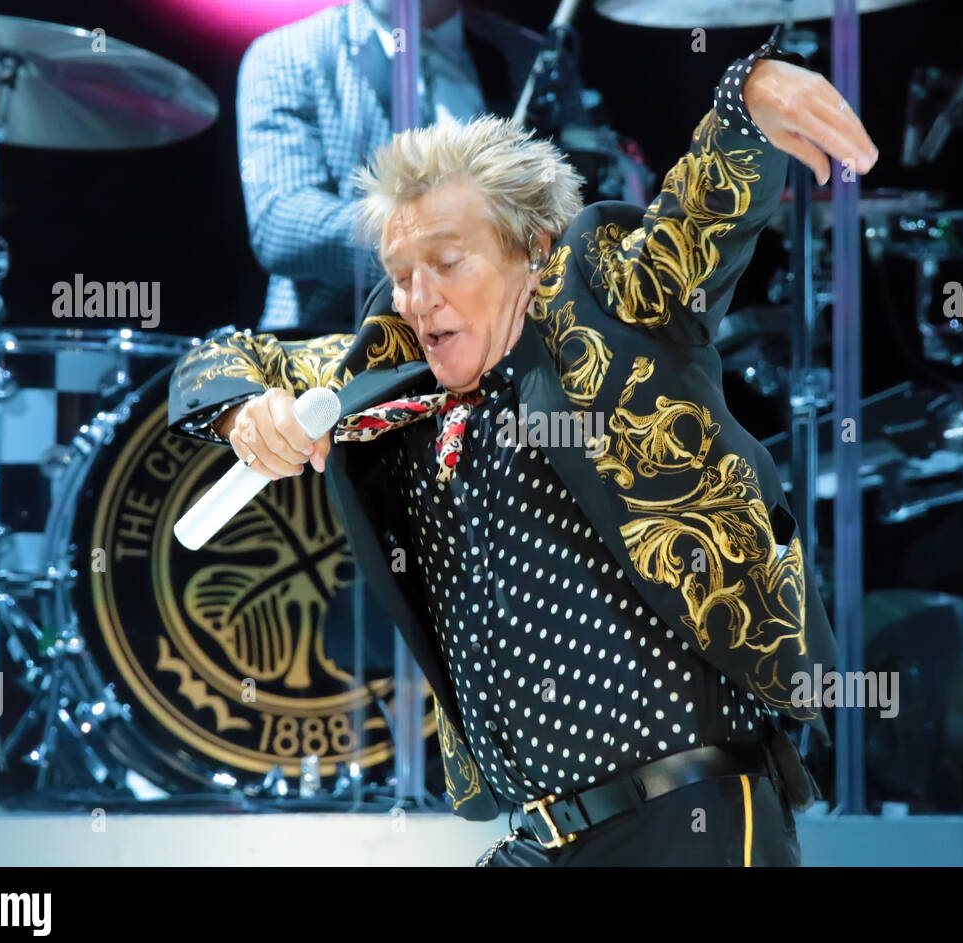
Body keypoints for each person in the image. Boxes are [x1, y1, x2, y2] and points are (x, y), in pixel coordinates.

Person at [170, 32, 877, 865]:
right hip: (544, 839)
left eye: (446, 261)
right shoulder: (399, 386)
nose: (417, 295)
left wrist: (747, 97)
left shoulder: (610, 308)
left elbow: (696, 221)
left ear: (533, 252)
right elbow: (218, 356)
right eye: (400, 273)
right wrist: (244, 409)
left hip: (689, 818)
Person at [237, 0, 542, 334]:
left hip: (503, 349)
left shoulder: (532, 57)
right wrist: (440, 247)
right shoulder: (288, 53)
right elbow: (280, 224)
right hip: (334, 350)